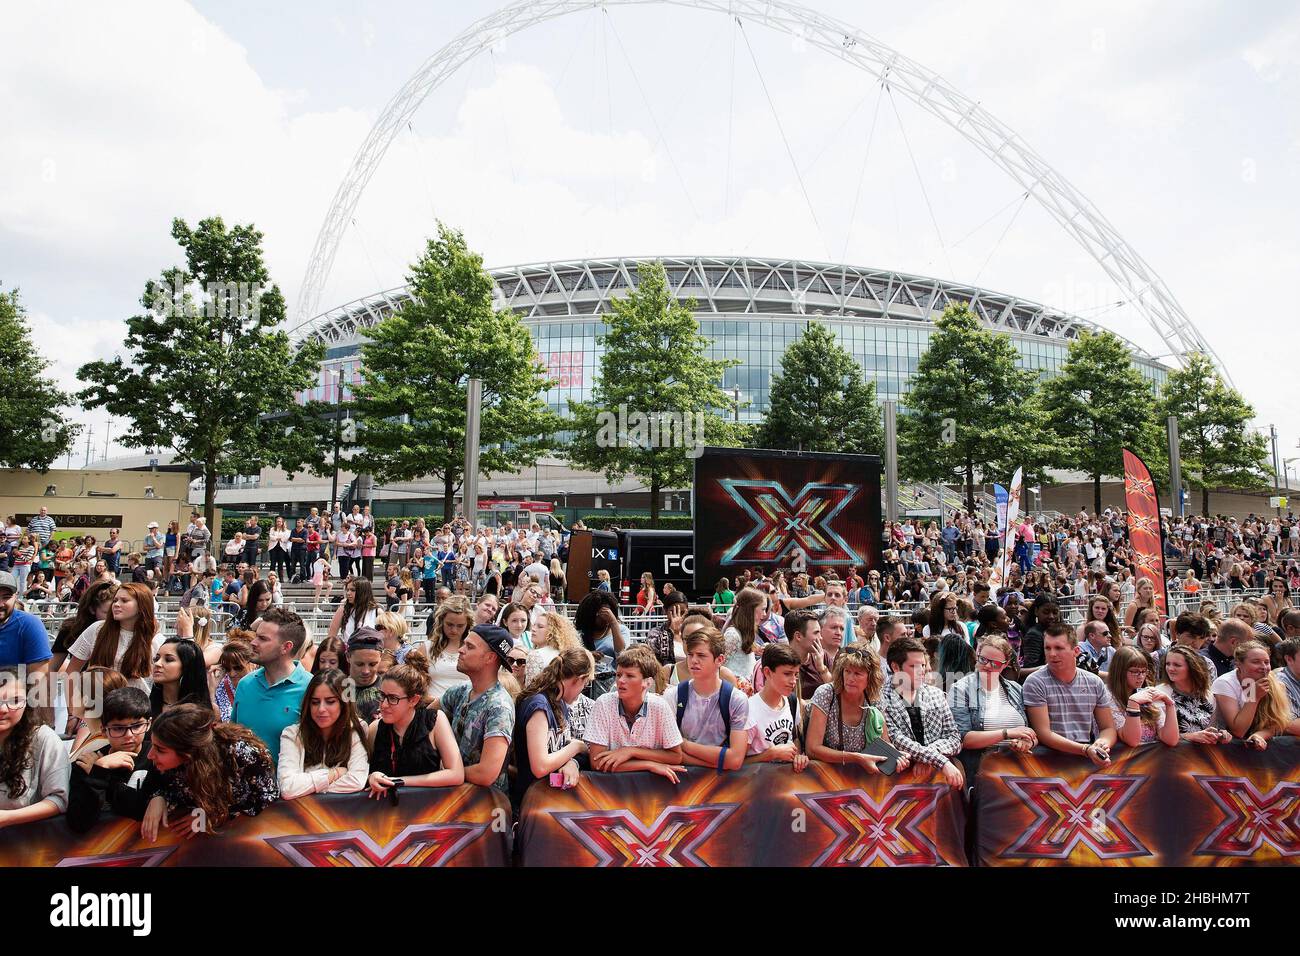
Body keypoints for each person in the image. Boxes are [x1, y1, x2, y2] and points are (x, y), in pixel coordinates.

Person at [140, 703, 278, 841]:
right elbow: (158, 785)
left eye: (160, 750)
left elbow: (266, 796)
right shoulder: (165, 762)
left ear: (188, 752)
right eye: (152, 745)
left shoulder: (244, 755)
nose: (150, 755)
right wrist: (158, 797)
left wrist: (215, 815)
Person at [65, 581, 163, 733]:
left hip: (137, 716)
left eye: (124, 601)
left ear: (142, 605)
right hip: (97, 713)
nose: (116, 604)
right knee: (83, 754)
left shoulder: (156, 640)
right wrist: (73, 713)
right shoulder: (97, 630)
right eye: (116, 600)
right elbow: (72, 672)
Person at [582, 647, 685, 781]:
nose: (621, 681)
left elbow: (676, 756)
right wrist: (649, 765)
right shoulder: (603, 703)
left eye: (629, 676)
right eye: (618, 675)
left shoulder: (660, 706)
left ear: (647, 682)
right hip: (610, 790)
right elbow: (597, 763)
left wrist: (630, 751)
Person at [65, 687, 160, 833]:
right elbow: (78, 822)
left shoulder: (159, 758)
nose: (129, 735)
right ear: (103, 730)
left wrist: (160, 798)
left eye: (137, 726)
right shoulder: (85, 764)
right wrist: (99, 771)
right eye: (118, 728)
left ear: (149, 724)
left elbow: (139, 809)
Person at [1023, 623, 1118, 765]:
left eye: (1059, 648)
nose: (1052, 654)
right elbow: (1043, 733)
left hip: (1085, 759)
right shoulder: (1035, 682)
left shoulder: (1094, 682)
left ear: (1076, 651)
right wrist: (1085, 749)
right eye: (1047, 648)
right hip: (1049, 762)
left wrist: (1102, 743)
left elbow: (1108, 728)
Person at [806, 644, 910, 773]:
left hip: (863, 780)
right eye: (847, 671)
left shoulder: (874, 698)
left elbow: (884, 742)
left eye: (857, 674)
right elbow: (812, 749)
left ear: (870, 677)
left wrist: (894, 756)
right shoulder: (826, 693)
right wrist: (856, 758)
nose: (850, 678)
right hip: (826, 778)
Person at [365, 663, 463, 799]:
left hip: (427, 811)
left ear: (413, 700)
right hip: (384, 814)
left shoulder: (435, 721)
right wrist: (371, 776)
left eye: (393, 698)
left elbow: (456, 774)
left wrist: (399, 781)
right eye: (381, 696)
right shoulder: (375, 728)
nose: (384, 704)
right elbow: (364, 773)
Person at [513, 647, 595, 805]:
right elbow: (540, 766)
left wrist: (573, 762)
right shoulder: (539, 705)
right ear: (579, 679)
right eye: (585, 684)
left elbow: (559, 750)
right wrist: (577, 746)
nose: (581, 692)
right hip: (533, 803)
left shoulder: (559, 702)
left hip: (552, 800)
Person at [439, 624, 516, 792]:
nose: (460, 650)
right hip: (453, 797)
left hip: (484, 806)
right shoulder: (461, 690)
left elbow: (486, 773)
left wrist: (446, 773)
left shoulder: (499, 706)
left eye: (469, 646)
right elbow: (427, 718)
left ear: (490, 658)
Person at [231, 608, 312, 767]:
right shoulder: (245, 685)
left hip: (292, 789)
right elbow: (232, 739)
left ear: (286, 647)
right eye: (256, 636)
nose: (253, 642)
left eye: (262, 638)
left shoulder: (311, 688)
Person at [880, 637, 964, 788]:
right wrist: (940, 761)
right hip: (895, 784)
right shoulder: (880, 699)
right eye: (914, 666)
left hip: (937, 784)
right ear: (896, 667)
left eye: (923, 665)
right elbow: (896, 740)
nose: (922, 671)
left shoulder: (936, 694)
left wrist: (929, 758)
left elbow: (955, 738)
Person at [277, 669, 370, 799]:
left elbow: (356, 781)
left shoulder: (357, 728)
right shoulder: (292, 734)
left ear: (344, 704)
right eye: (315, 702)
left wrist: (307, 789)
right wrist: (335, 774)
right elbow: (287, 788)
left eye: (330, 701)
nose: (321, 709)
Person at [668, 626, 749, 772]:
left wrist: (684, 745)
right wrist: (721, 762)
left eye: (701, 655)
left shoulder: (737, 699)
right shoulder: (673, 695)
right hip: (681, 785)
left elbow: (735, 759)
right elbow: (669, 752)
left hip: (723, 787)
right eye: (690, 654)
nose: (693, 661)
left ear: (720, 660)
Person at [0, 668, 69, 829]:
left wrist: (6, 818)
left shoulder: (44, 739)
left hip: (28, 844)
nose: (3, 709)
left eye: (15, 700)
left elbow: (58, 800)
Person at [950, 634, 1038, 756]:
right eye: (983, 660)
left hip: (1017, 761)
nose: (987, 666)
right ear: (977, 656)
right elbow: (962, 739)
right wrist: (1006, 733)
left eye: (995, 663)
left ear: (1005, 664)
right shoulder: (960, 689)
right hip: (982, 763)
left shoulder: (1016, 689)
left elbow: (1033, 732)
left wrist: (1028, 742)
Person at [1213, 640, 1300, 748]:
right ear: (1238, 663)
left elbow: (1279, 722)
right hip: (1223, 747)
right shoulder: (1225, 683)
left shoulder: (1276, 683)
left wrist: (1260, 735)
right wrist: (1254, 696)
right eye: (1256, 662)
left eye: (1266, 662)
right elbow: (1238, 731)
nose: (1263, 667)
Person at [744, 642, 809, 772]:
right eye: (787, 674)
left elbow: (794, 737)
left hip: (785, 781)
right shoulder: (749, 710)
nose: (793, 681)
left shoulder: (792, 702)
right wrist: (770, 754)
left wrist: (798, 757)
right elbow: (737, 763)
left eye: (795, 674)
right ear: (767, 672)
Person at [1105, 646, 1178, 747]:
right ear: (1120, 671)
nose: (1141, 676)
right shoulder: (1107, 696)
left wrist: (1170, 704)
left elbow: (1171, 740)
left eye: (1144, 671)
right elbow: (1132, 741)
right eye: (1135, 671)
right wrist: (1133, 704)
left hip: (1151, 759)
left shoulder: (1145, 692)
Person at [1155, 645, 1229, 744]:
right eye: (1168, 664)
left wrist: (1220, 735)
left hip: (1204, 755)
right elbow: (1160, 735)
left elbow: (1213, 727)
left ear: (1191, 667)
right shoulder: (1160, 694)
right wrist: (1190, 737)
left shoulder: (1207, 695)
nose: (1170, 668)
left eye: (1177, 665)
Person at [0, 570, 53, 675]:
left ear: (16, 596)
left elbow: (38, 681)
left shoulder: (29, 625)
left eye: (6, 597)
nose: (0, 604)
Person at [149, 638, 212, 717]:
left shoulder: (201, 713)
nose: (157, 663)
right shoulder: (145, 707)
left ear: (187, 666)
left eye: (169, 659)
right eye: (156, 659)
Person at [344, 629, 386, 723]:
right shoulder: (338, 688)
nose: (366, 671)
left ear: (381, 657)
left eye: (372, 664)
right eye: (359, 664)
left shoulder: (387, 691)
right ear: (348, 657)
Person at [328, 577, 378, 643]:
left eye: (353, 590)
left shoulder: (377, 612)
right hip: (349, 652)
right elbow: (331, 638)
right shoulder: (342, 610)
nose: (348, 593)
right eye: (347, 590)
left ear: (363, 591)